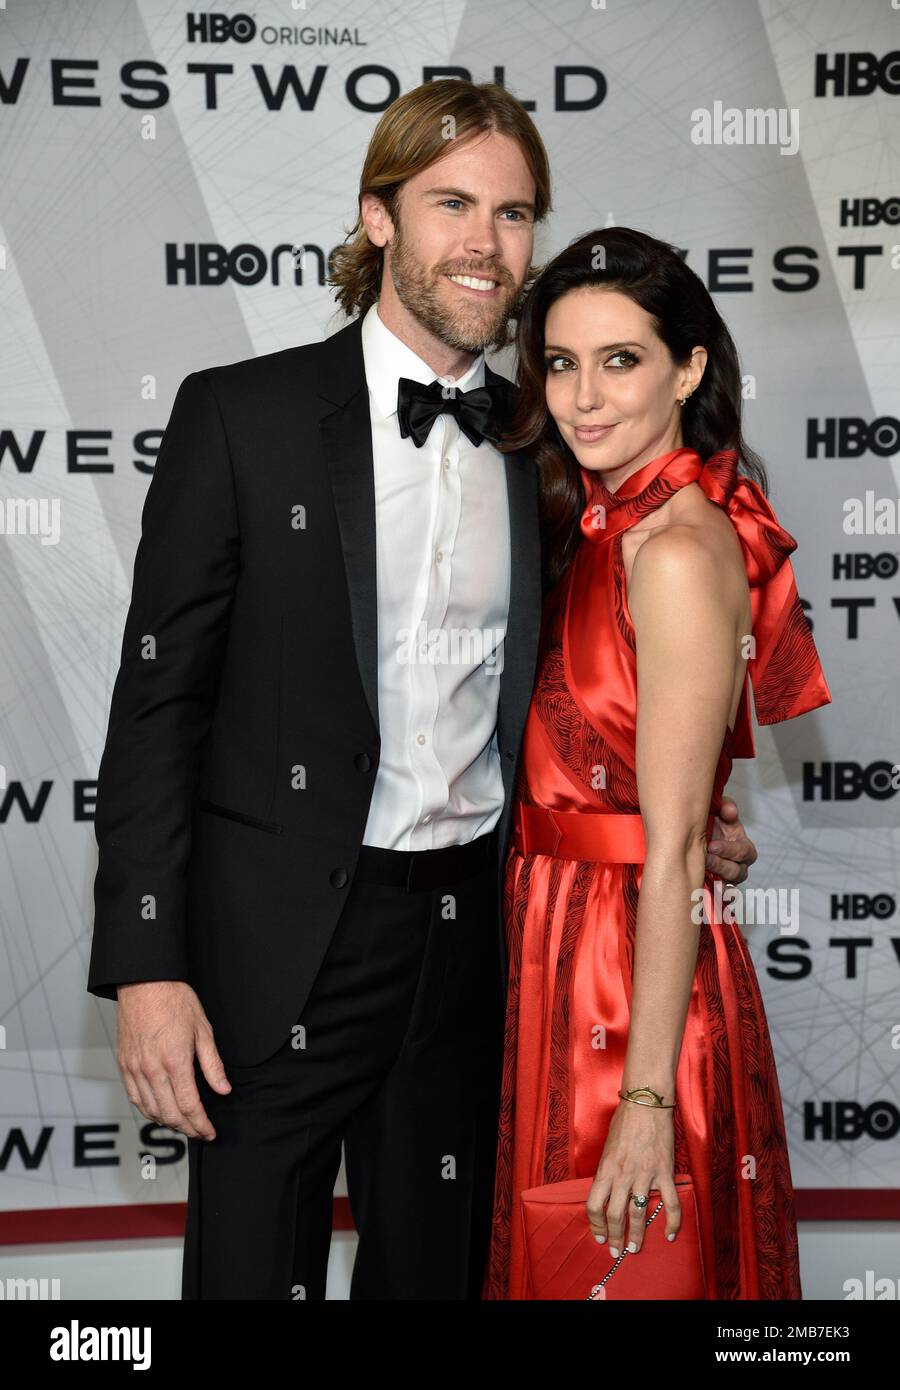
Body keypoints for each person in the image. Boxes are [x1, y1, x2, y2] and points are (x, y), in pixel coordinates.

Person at [87, 81, 758, 1300]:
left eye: (514, 214)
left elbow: (602, 675)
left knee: (437, 1282)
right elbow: (156, 709)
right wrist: (148, 967)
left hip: (476, 947)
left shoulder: (545, 442)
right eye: (452, 202)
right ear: (377, 217)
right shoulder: (241, 418)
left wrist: (684, 806)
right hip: (267, 956)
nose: (485, 243)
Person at [483, 226, 831, 1301]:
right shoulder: (590, 523)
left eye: (621, 360)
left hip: (624, 975)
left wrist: (644, 1108)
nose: (585, 397)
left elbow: (675, 846)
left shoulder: (676, 549)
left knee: (622, 1265)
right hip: (549, 937)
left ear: (687, 369)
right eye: (561, 362)